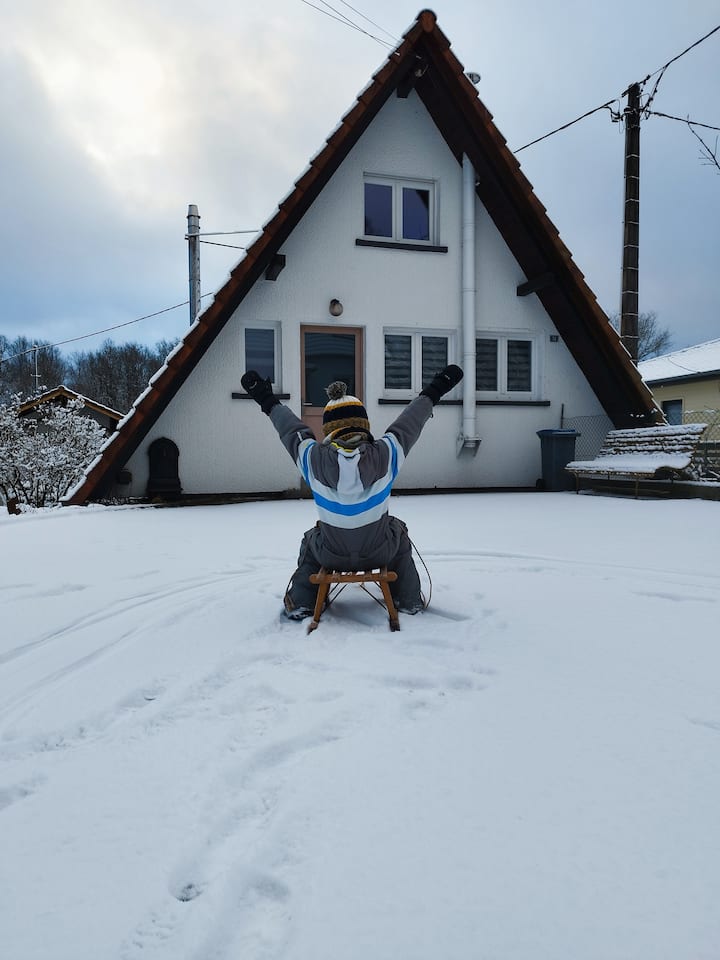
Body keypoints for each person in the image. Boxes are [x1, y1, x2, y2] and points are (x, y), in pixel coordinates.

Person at [240, 364, 464, 620]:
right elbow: (409, 422)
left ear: (329, 429)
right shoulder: (386, 454)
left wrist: (266, 399)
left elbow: (290, 429)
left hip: (331, 553)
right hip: (379, 550)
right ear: (364, 424)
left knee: (311, 538)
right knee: (398, 530)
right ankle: (408, 598)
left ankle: (302, 600)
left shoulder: (312, 459)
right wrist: (436, 389)